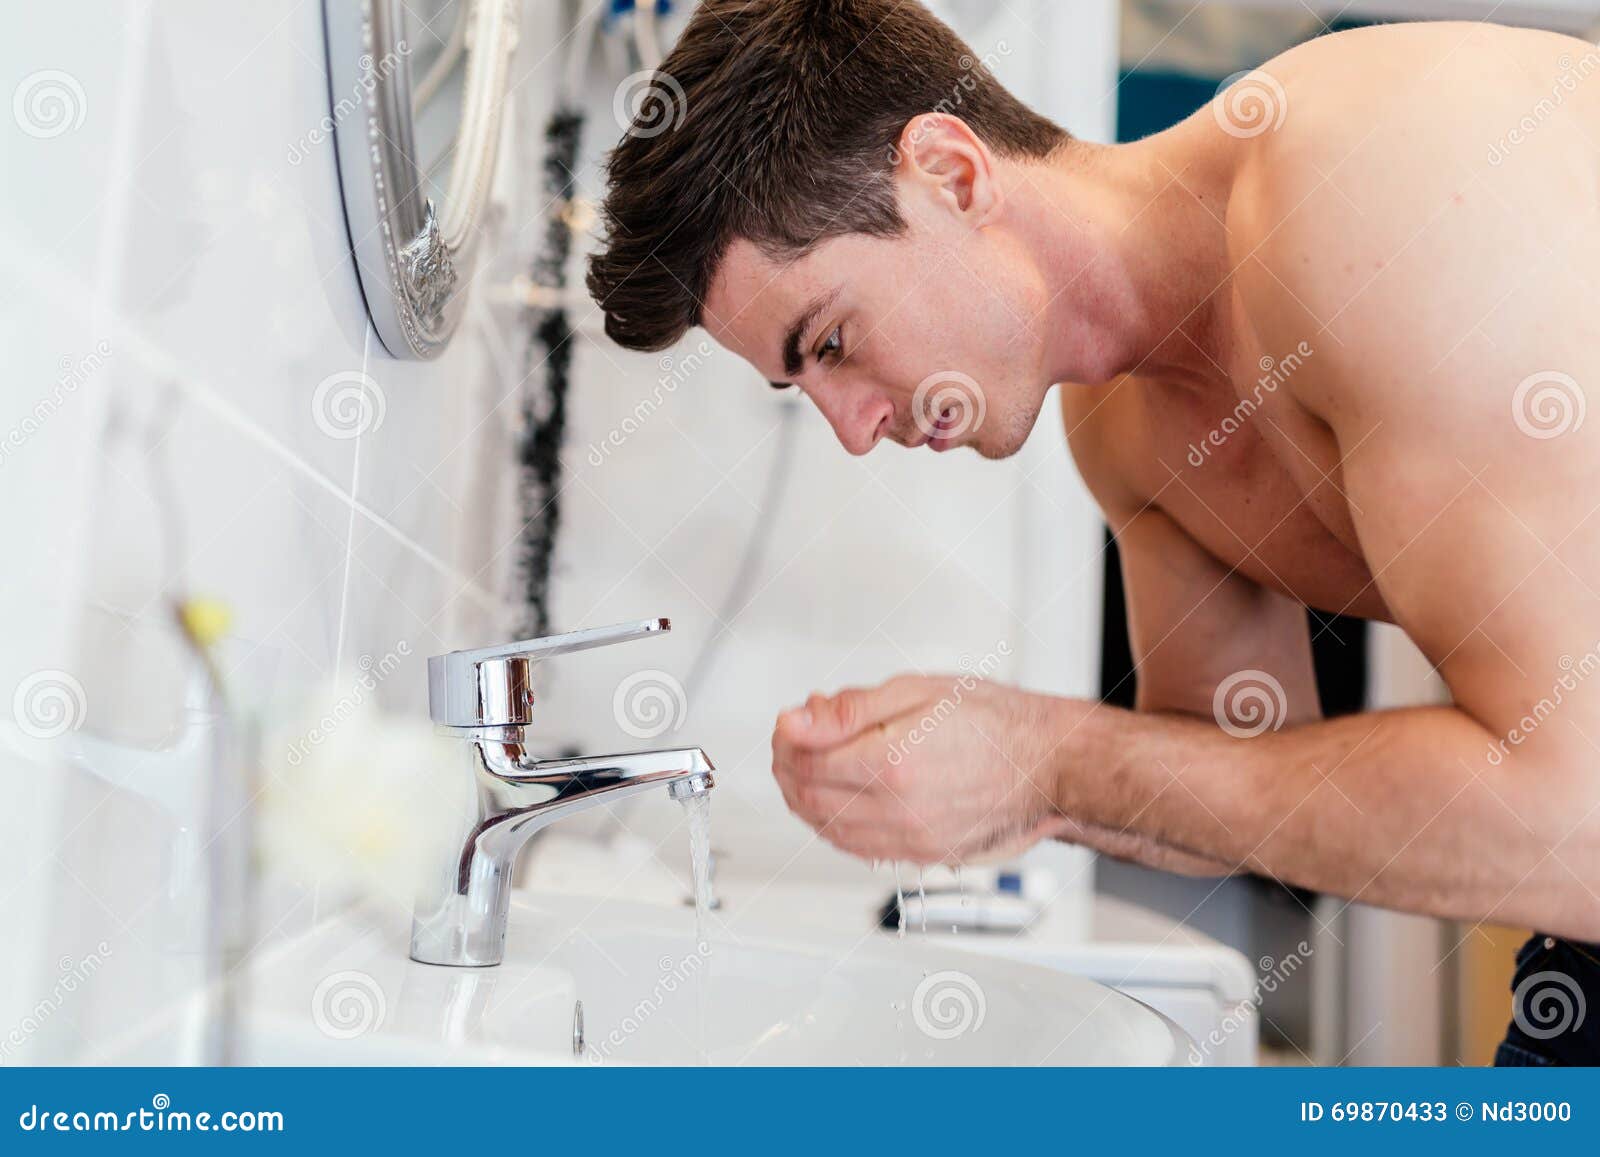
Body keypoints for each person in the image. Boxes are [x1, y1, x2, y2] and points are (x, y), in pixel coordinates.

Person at [586, 0, 1600, 1064]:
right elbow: (1241, 792)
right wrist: (974, 776)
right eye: (803, 388)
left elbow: (1576, 815)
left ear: (952, 172)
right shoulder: (1123, 427)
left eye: (833, 341)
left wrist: (1049, 762)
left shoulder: (1377, 190)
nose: (852, 429)